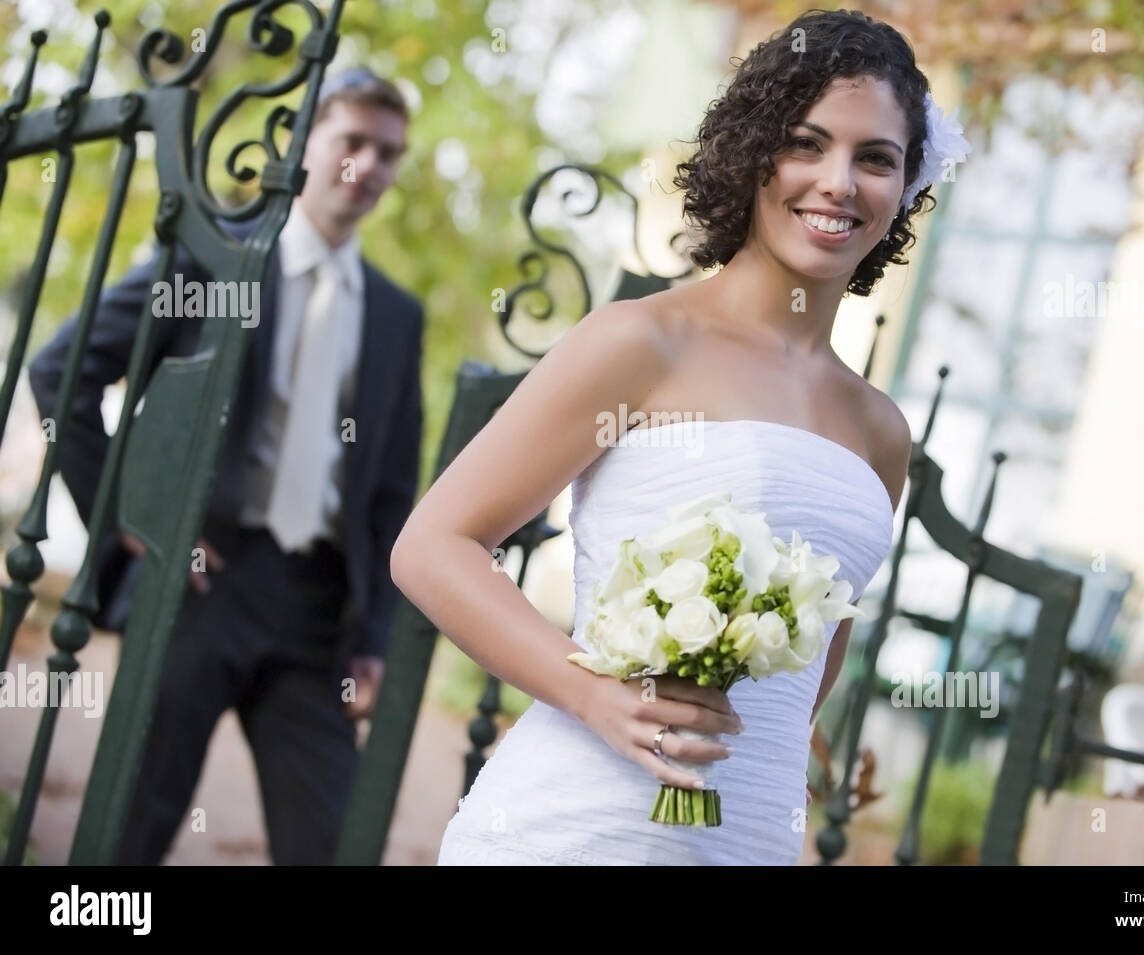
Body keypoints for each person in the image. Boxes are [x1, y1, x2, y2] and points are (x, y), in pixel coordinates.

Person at [391, 10, 966, 864]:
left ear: (907, 184)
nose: (839, 182)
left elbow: (808, 668)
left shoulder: (881, 431)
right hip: (572, 834)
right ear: (753, 153)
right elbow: (432, 546)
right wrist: (596, 695)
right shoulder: (642, 342)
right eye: (806, 144)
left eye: (875, 158)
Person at [27, 67, 424, 864]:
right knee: (128, 830)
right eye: (352, 140)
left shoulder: (394, 313)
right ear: (305, 143)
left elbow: (390, 489)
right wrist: (128, 517)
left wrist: (376, 631)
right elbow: (59, 370)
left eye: (388, 152)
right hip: (199, 584)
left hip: (318, 614)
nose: (368, 166)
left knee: (333, 843)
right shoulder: (214, 261)